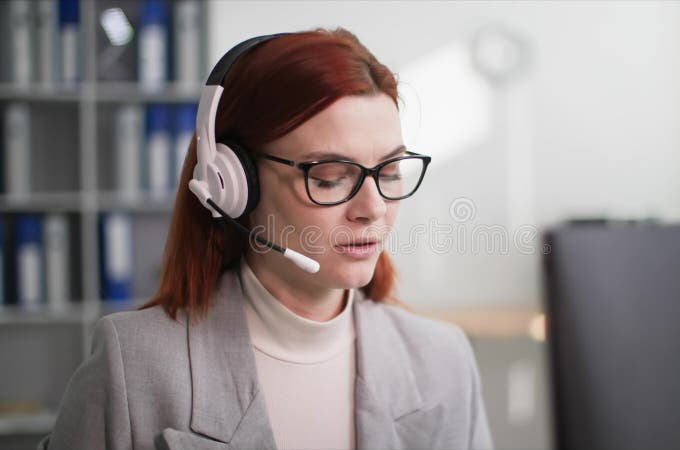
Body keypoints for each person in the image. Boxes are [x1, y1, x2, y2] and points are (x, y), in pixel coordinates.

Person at [39, 28, 493, 450]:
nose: (373, 208)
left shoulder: (444, 359)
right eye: (332, 177)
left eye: (390, 172)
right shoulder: (133, 365)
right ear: (233, 185)